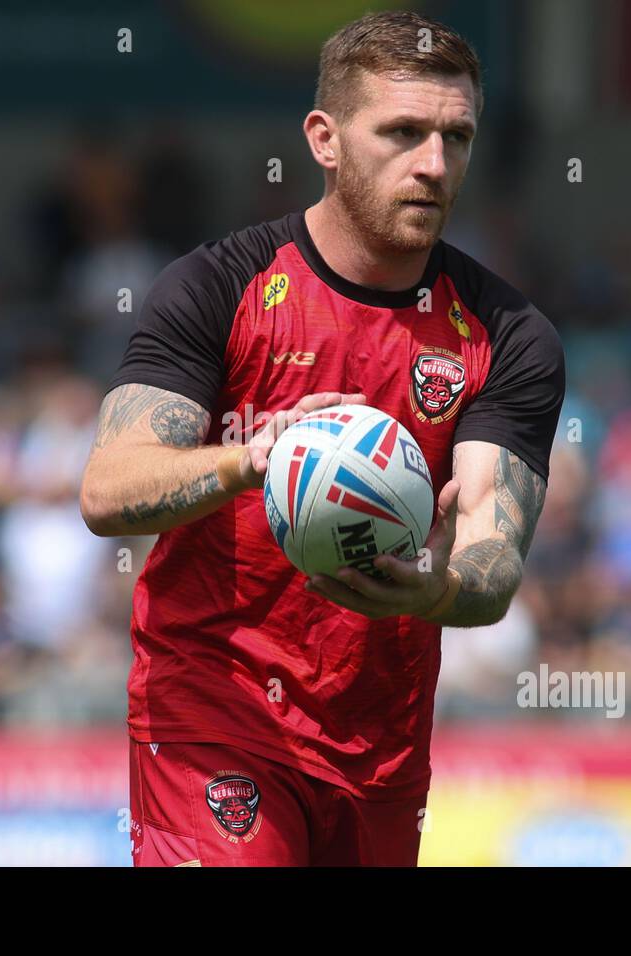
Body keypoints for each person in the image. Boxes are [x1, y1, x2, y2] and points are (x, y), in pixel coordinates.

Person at [80, 10, 565, 866]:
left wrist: (436, 590)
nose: (433, 164)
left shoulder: (509, 337)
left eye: (456, 137)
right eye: (403, 133)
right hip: (213, 710)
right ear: (325, 138)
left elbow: (492, 559)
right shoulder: (217, 287)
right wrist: (247, 459)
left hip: (377, 745)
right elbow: (109, 490)